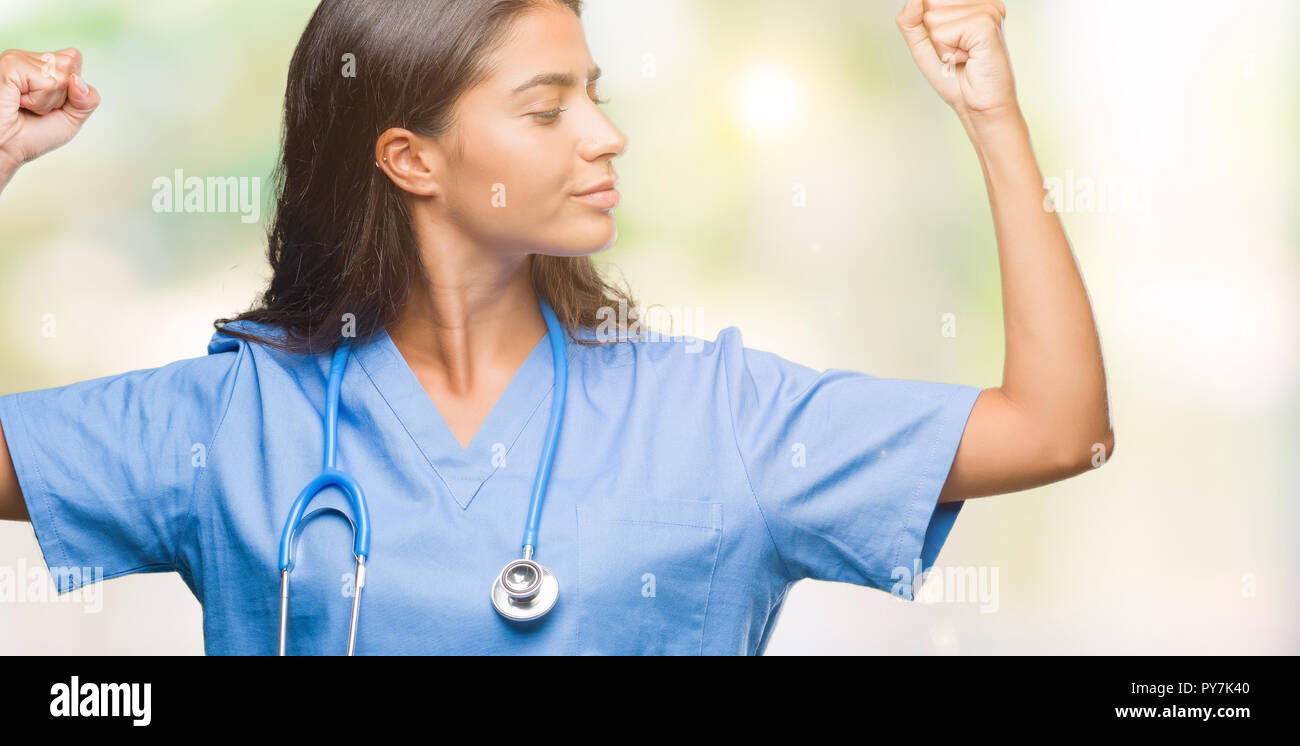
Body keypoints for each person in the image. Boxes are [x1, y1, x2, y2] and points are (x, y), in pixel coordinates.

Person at [0, 0, 1113, 655]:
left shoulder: (716, 411)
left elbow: (1061, 430)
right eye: (547, 108)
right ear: (410, 160)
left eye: (595, 93)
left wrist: (991, 117)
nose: (605, 134)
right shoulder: (230, 420)